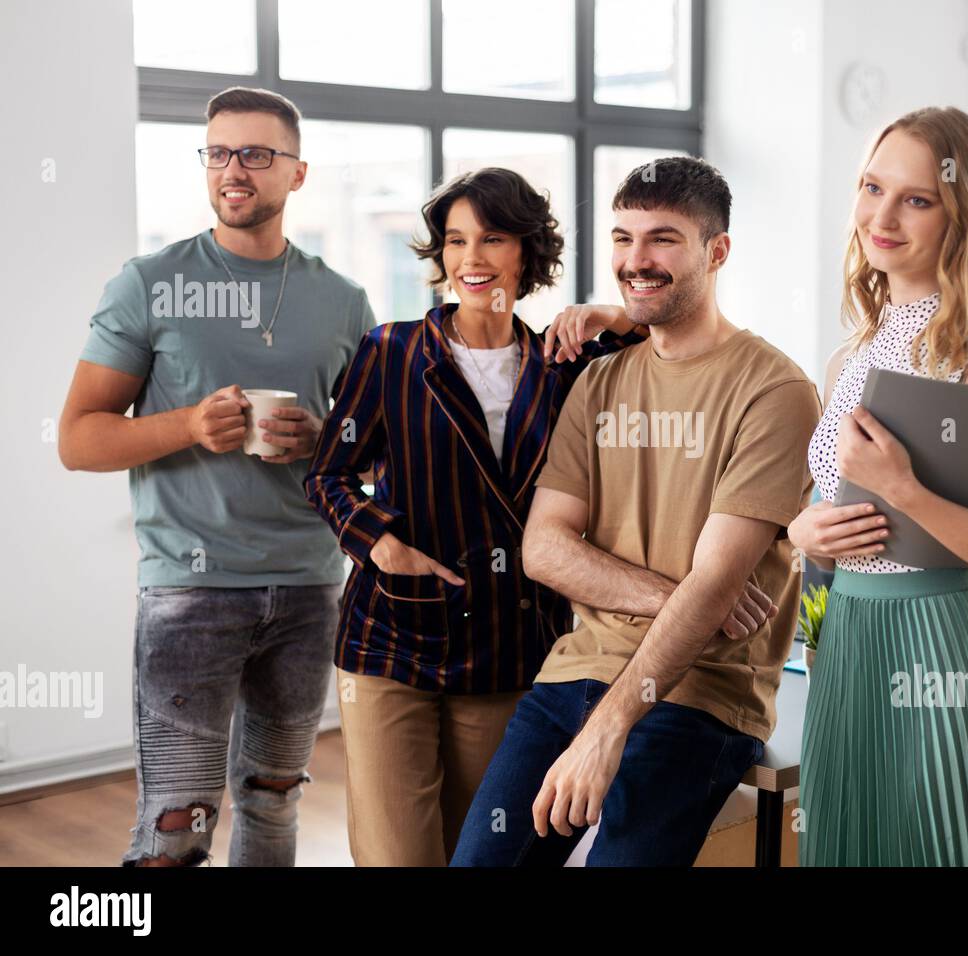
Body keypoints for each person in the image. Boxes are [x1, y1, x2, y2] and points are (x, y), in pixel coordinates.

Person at [304, 166, 774, 866]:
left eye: (491, 238)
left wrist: (609, 315)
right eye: (455, 241)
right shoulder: (391, 352)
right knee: (396, 853)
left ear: (527, 252)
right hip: (393, 639)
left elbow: (666, 324)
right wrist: (381, 548)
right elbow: (328, 473)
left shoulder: (566, 361)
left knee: (485, 845)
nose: (471, 259)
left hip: (508, 643)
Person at [450, 156, 822, 867]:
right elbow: (544, 549)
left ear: (717, 252)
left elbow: (718, 581)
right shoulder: (599, 380)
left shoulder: (775, 392)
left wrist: (609, 726)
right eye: (622, 238)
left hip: (700, 695)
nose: (635, 260)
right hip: (573, 674)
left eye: (662, 239)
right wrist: (680, 597)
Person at [58, 87, 375, 866]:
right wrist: (188, 425)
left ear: (296, 174)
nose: (235, 170)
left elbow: (382, 450)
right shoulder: (150, 284)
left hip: (309, 587)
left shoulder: (343, 301)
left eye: (257, 155)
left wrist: (327, 440)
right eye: (220, 152)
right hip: (188, 595)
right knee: (178, 824)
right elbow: (78, 439)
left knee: (274, 798)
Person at [790, 106, 968, 866]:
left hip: (943, 653)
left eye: (916, 198)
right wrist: (800, 533)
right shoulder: (851, 359)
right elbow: (824, 517)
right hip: (845, 644)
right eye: (872, 188)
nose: (882, 215)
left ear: (961, 214)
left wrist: (909, 493)